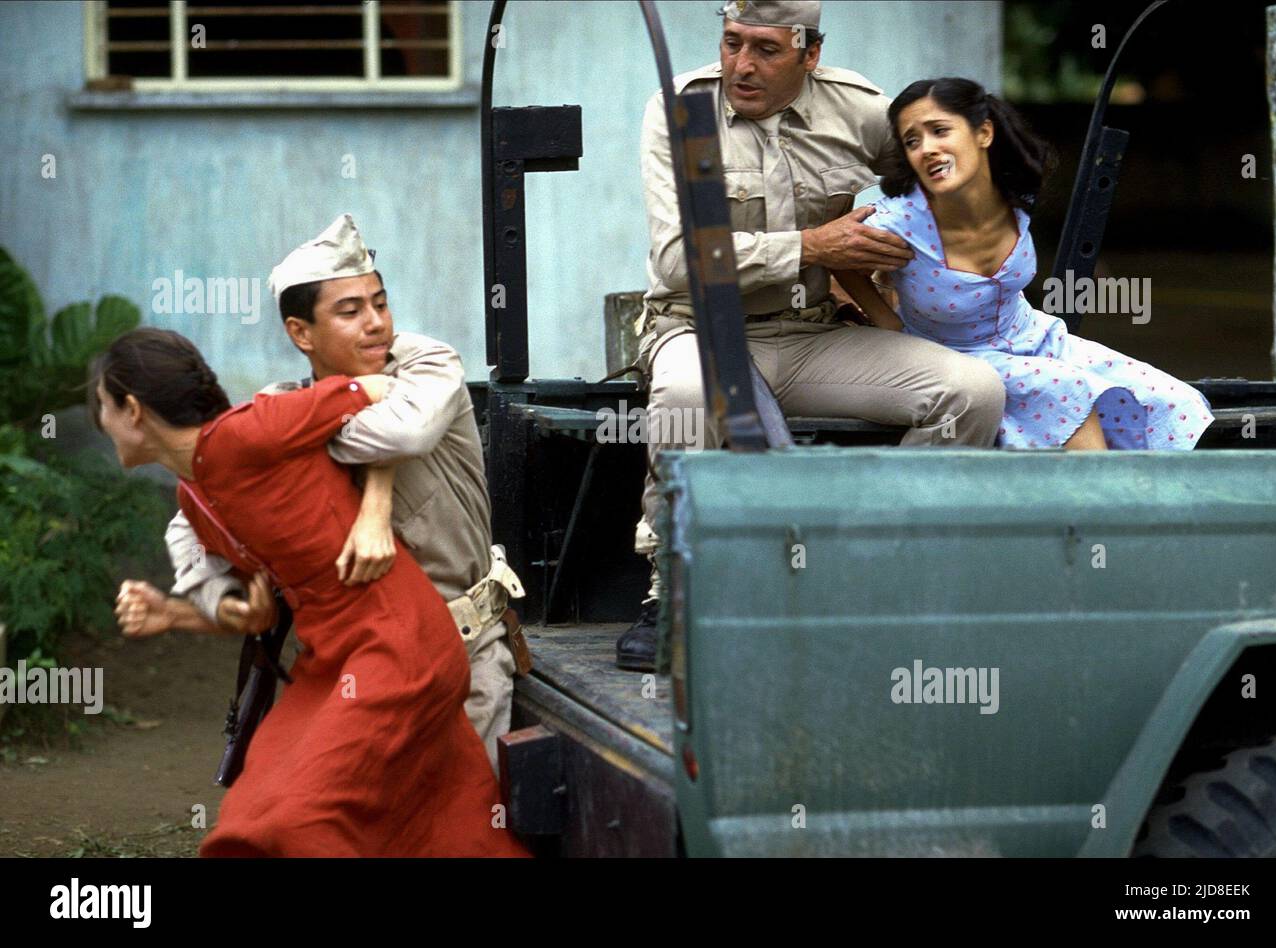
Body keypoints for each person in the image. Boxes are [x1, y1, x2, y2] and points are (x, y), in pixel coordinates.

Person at [618, 0, 1007, 670]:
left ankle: (873, 575)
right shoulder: (681, 110)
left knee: (974, 391)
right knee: (684, 395)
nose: (741, 64)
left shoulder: (859, 111)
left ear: (810, 53)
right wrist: (812, 246)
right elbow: (678, 259)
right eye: (732, 42)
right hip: (700, 329)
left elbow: (937, 185)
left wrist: (897, 278)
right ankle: (669, 595)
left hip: (812, 333)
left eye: (765, 50)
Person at [97, 327, 528, 857]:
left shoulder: (254, 429)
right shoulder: (196, 496)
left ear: (133, 409)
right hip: (334, 659)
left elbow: (374, 389)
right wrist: (179, 613)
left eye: (102, 405)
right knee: (437, 825)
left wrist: (376, 506)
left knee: (300, 821)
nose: (100, 421)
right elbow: (260, 605)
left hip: (396, 647)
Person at [116, 214, 524, 773]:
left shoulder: (427, 363)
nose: (377, 323)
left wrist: (302, 437)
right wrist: (220, 599)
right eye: (350, 311)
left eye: (380, 303)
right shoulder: (280, 409)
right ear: (300, 333)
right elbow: (192, 522)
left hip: (465, 654)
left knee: (464, 829)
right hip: (355, 674)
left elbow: (404, 431)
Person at [834, 77, 1214, 449]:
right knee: (1071, 394)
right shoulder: (899, 222)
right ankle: (1095, 509)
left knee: (1172, 400)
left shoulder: (1014, 194)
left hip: (1036, 337)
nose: (927, 149)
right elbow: (838, 258)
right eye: (912, 141)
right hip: (959, 359)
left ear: (983, 133)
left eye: (939, 130)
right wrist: (887, 322)